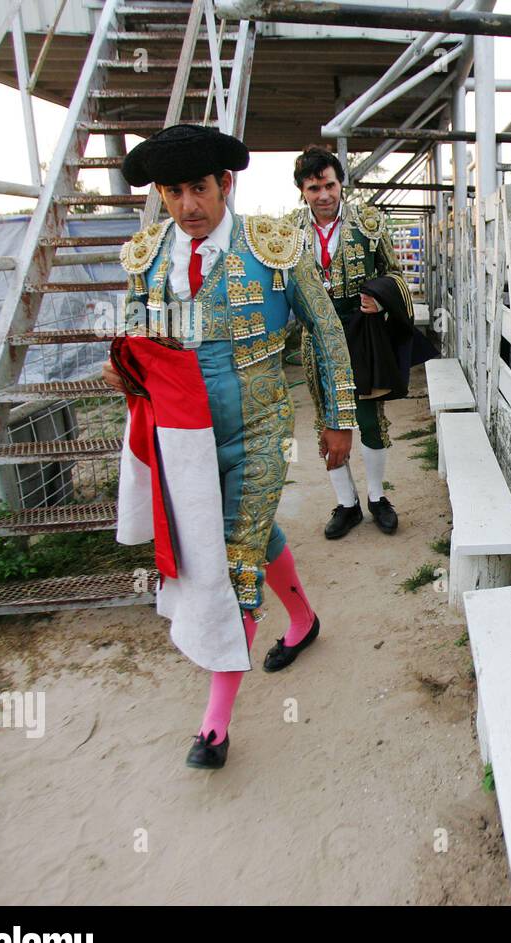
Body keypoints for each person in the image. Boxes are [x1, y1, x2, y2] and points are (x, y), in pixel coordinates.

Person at [103, 125, 359, 769]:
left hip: (258, 432)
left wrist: (339, 418)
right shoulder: (147, 255)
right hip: (181, 437)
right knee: (243, 536)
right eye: (173, 191)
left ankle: (214, 725)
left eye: (198, 189)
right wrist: (123, 371)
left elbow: (325, 333)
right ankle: (302, 622)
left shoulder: (271, 246)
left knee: (231, 558)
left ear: (227, 185)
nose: (187, 205)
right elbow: (137, 341)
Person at [290, 145, 410, 540]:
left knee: (370, 418)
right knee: (327, 420)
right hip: (316, 339)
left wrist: (378, 295)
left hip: (361, 332)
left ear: (341, 184)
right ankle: (347, 505)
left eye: (329, 185)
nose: (323, 195)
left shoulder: (369, 223)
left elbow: (394, 272)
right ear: (302, 191)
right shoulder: (288, 232)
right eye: (313, 188)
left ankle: (377, 498)